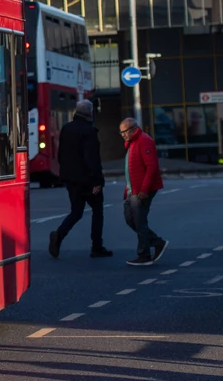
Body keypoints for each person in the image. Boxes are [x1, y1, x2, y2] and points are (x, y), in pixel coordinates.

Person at [48, 98, 111, 258]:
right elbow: (91, 158)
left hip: (70, 178)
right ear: (89, 113)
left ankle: (59, 235)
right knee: (97, 210)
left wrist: (64, 174)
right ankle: (97, 246)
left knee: (76, 211)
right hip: (87, 180)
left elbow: (60, 154)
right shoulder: (89, 131)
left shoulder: (66, 129)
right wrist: (97, 181)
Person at [119, 115, 166, 265]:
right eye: (121, 133)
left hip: (141, 190)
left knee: (139, 221)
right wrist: (128, 190)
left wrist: (144, 190)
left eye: (124, 132)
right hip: (133, 190)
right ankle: (157, 242)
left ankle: (144, 255)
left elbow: (151, 167)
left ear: (133, 129)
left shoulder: (144, 140)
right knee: (130, 218)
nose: (123, 135)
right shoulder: (132, 142)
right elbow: (132, 169)